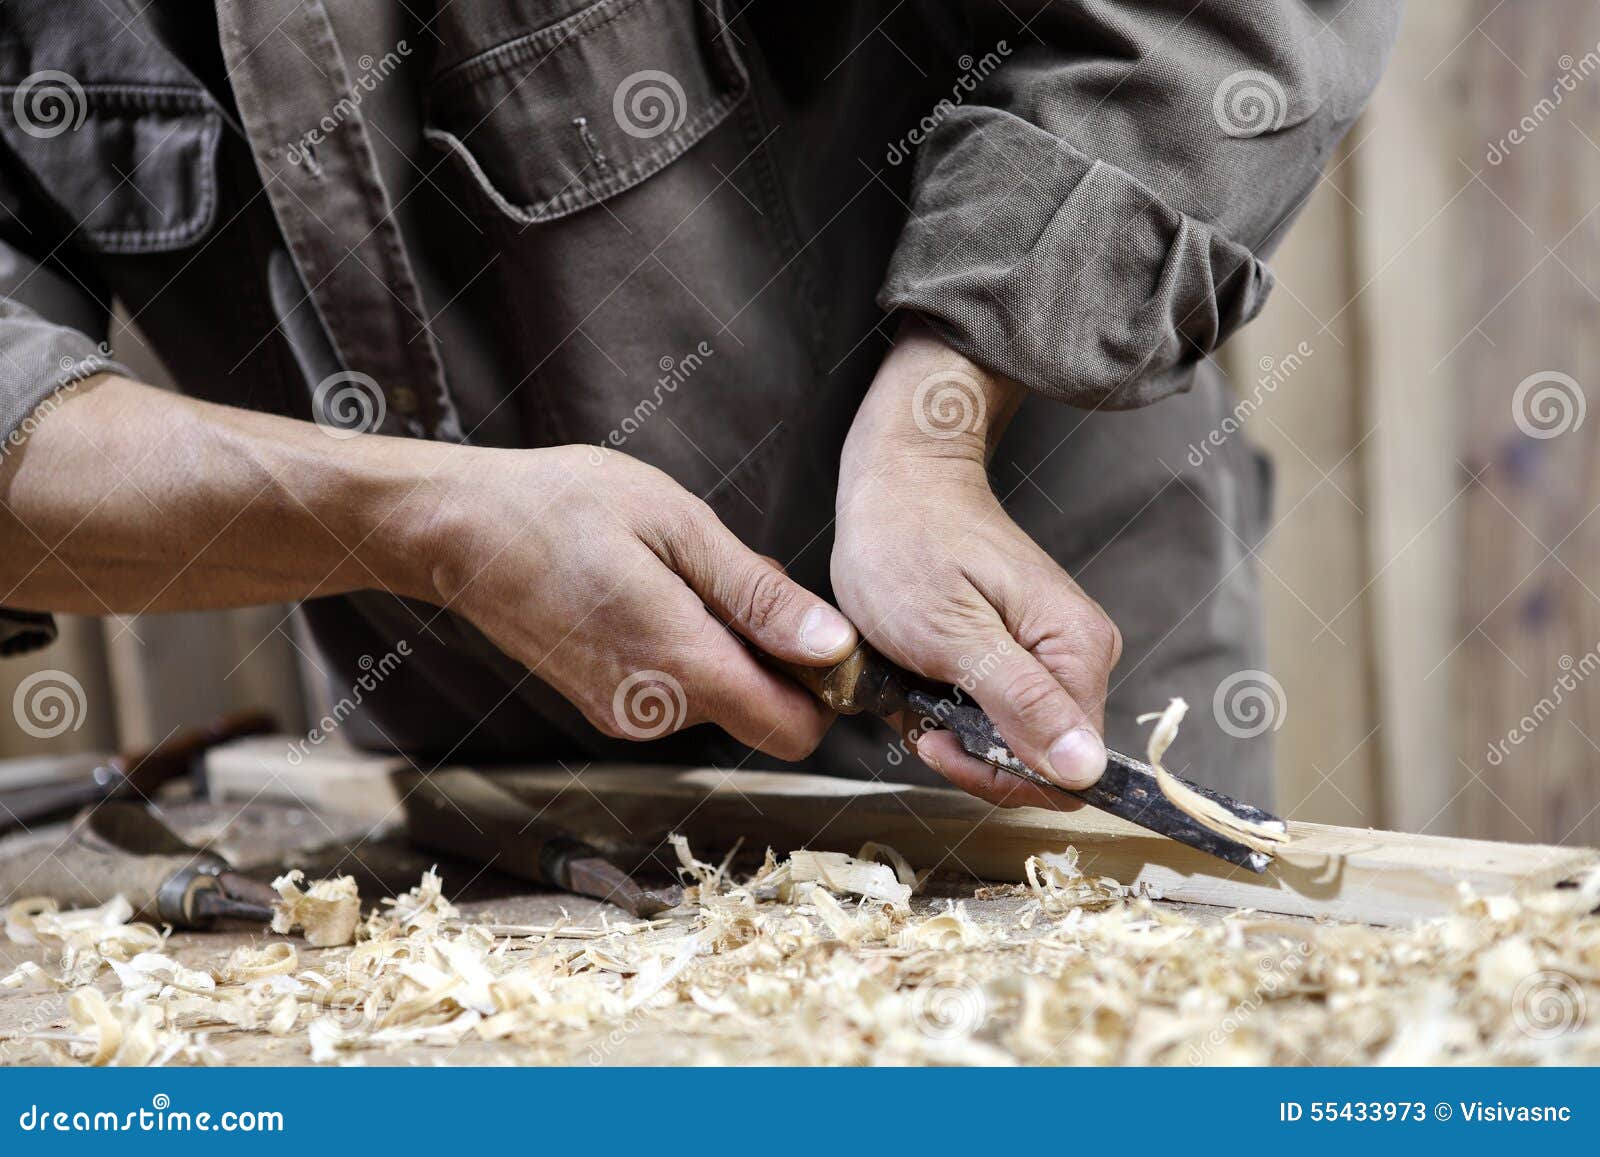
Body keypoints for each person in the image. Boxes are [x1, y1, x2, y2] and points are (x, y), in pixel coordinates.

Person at [0, 1, 1400, 806]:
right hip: (506, 816)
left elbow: (1211, 25)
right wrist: (426, 523)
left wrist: (938, 421)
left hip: (1029, 666)